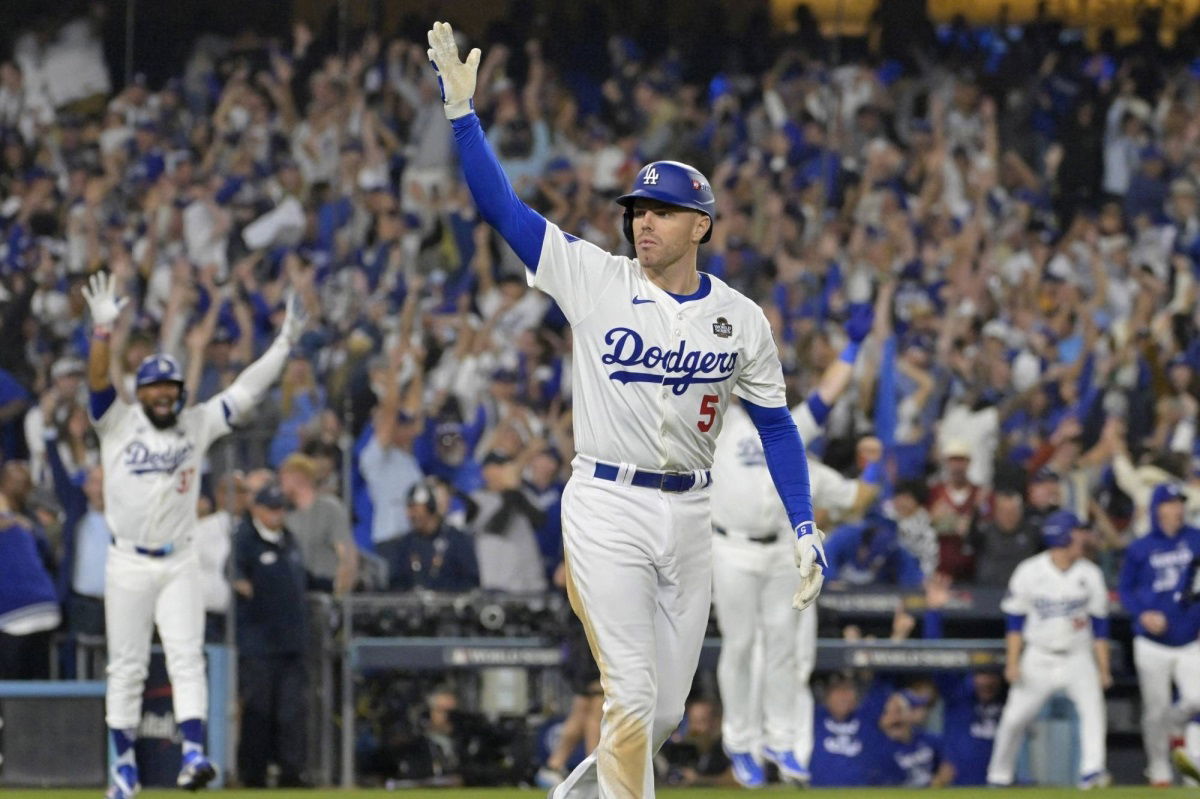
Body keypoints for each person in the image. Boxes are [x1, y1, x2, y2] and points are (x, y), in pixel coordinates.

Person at [426, 21, 822, 799]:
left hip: (694, 513)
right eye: (638, 209)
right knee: (633, 694)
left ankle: (578, 793)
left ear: (700, 225)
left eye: (662, 211)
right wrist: (463, 117)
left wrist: (804, 523)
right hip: (608, 503)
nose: (644, 220)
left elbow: (777, 425)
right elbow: (503, 209)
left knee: (663, 710)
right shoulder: (597, 279)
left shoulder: (740, 317)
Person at [82, 270, 305, 798]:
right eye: (154, 387)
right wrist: (102, 333)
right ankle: (123, 767)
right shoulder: (117, 423)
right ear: (141, 392)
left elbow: (246, 390)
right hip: (128, 560)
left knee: (187, 657)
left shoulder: (197, 422)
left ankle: (193, 754)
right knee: (127, 667)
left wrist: (283, 345)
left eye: (171, 388)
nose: (163, 395)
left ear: (181, 392)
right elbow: (97, 380)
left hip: (178, 558)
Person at [708, 332, 880, 787]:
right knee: (740, 646)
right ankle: (740, 742)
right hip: (731, 546)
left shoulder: (788, 422)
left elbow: (826, 396)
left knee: (783, 646)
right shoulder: (719, 422)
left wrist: (852, 347)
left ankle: (781, 740)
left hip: (781, 547)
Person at [986, 510, 1111, 788]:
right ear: (1063, 536)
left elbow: (1100, 627)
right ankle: (998, 775)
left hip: (1078, 656)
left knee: (1093, 711)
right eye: (1077, 532)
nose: (1083, 537)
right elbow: (1015, 622)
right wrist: (1012, 662)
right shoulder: (1030, 571)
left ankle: (1092, 771)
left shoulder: (1090, 573)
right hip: (1039, 657)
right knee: (1013, 718)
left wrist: (1103, 668)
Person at [1116, 483, 1200, 786]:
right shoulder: (1140, 547)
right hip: (1152, 642)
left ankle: (1186, 747)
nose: (1177, 509)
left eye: (1179, 503)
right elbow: (1124, 589)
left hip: (1190, 638)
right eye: (1170, 503)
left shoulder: (1196, 539)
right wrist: (1143, 614)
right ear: (1157, 508)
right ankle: (1159, 769)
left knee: (1196, 699)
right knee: (1155, 710)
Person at [232, 481, 309, 788]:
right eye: (272, 508)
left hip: (291, 642)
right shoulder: (245, 540)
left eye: (281, 509)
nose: (277, 514)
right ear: (257, 509)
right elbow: (235, 576)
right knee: (258, 711)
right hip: (259, 643)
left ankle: (292, 772)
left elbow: (299, 580)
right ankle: (254, 774)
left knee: (291, 711)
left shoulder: (288, 540)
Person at [279, 452, 359, 594]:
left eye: (283, 479)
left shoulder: (329, 508)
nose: (280, 485)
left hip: (327, 589)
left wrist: (340, 595)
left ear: (298, 477)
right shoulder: (287, 517)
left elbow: (347, 556)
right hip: (299, 592)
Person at [388, 478, 479, 591]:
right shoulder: (405, 544)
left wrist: (442, 593)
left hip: (450, 601)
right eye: (408, 509)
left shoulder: (458, 540)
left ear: (431, 508)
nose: (409, 515)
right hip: (412, 602)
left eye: (414, 509)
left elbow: (472, 582)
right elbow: (395, 584)